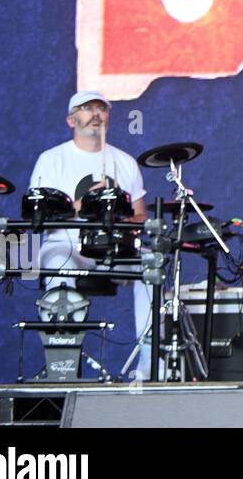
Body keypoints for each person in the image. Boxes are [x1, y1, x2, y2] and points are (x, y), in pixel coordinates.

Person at [29, 91, 153, 378]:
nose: (95, 113)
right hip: (67, 245)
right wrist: (85, 203)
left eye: (101, 108)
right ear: (71, 120)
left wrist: (121, 215)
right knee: (60, 264)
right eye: (86, 108)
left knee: (151, 264)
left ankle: (149, 364)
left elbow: (141, 214)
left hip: (112, 250)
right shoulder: (51, 160)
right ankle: (63, 366)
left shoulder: (124, 161)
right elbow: (41, 214)